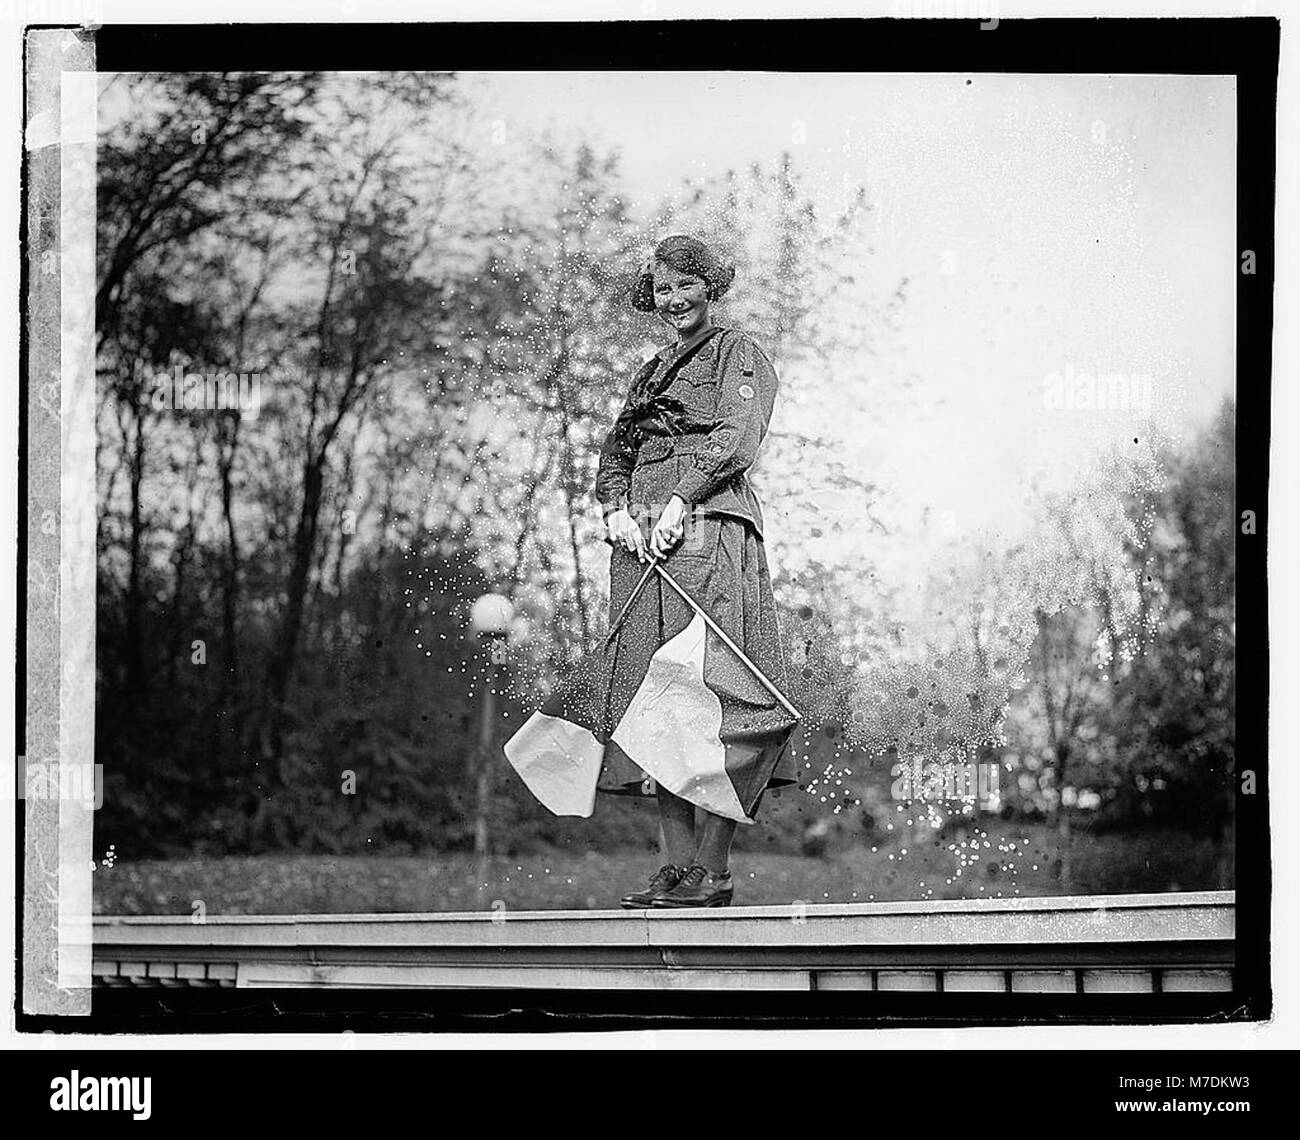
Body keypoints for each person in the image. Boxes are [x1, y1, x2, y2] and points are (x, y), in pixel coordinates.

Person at [593, 234, 798, 909]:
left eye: (686, 285)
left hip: (708, 528)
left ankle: (714, 867)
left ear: (709, 288)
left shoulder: (736, 353)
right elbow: (616, 450)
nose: (673, 299)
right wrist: (616, 509)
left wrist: (681, 499)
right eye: (662, 288)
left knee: (710, 691)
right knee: (657, 698)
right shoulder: (647, 374)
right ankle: (674, 867)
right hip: (641, 546)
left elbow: (735, 436)